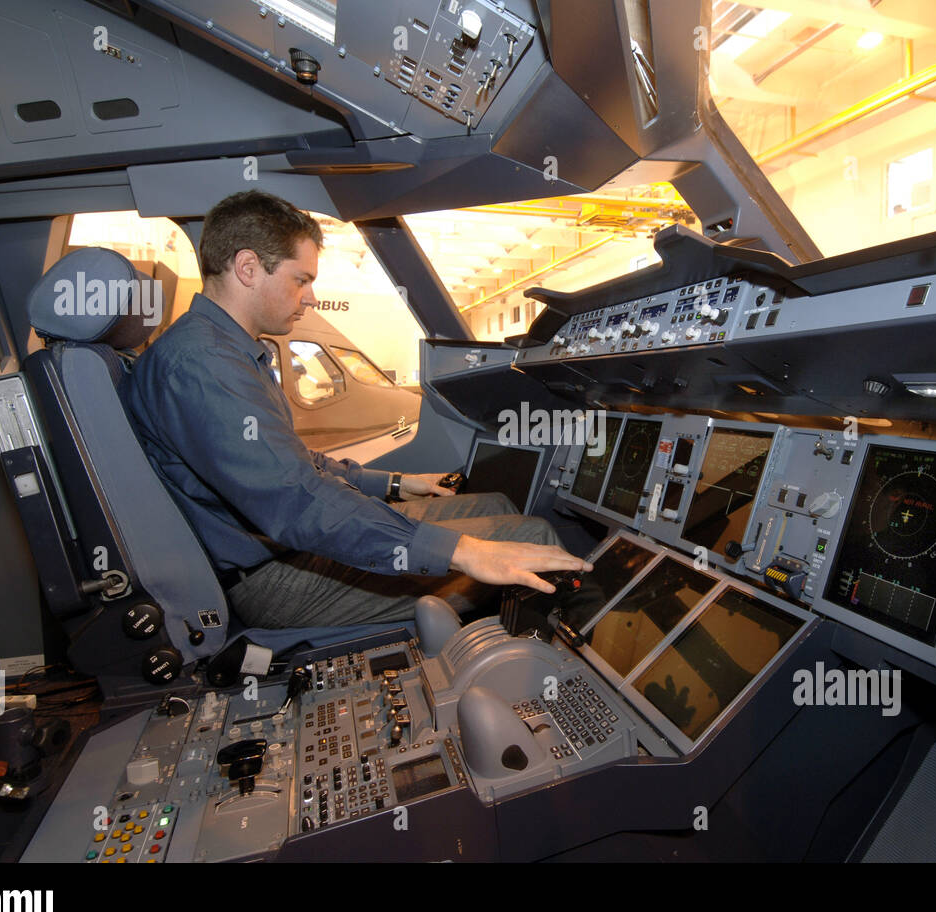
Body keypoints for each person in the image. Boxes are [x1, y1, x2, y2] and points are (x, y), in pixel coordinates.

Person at [125, 190, 589, 629]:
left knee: (497, 506)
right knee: (529, 539)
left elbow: (295, 466)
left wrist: (396, 484)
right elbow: (297, 500)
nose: (309, 296)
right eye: (300, 279)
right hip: (271, 578)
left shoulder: (225, 351)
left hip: (281, 547)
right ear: (247, 267)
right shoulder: (203, 365)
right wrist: (465, 553)